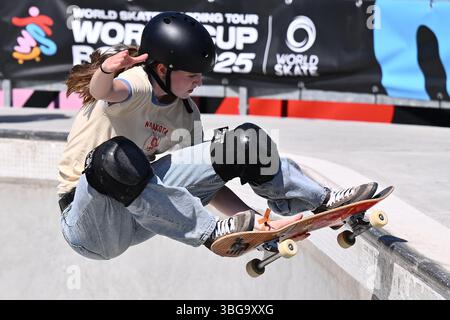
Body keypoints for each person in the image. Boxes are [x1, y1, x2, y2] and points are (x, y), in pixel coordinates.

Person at [58, 11, 377, 260]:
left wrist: (253, 222)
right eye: (191, 75)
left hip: (141, 215)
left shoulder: (186, 114)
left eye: (201, 75)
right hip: (89, 221)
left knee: (243, 145)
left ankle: (321, 200)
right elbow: (103, 91)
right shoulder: (136, 84)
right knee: (114, 156)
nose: (198, 82)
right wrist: (106, 70)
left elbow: (204, 185)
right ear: (161, 70)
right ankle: (208, 233)